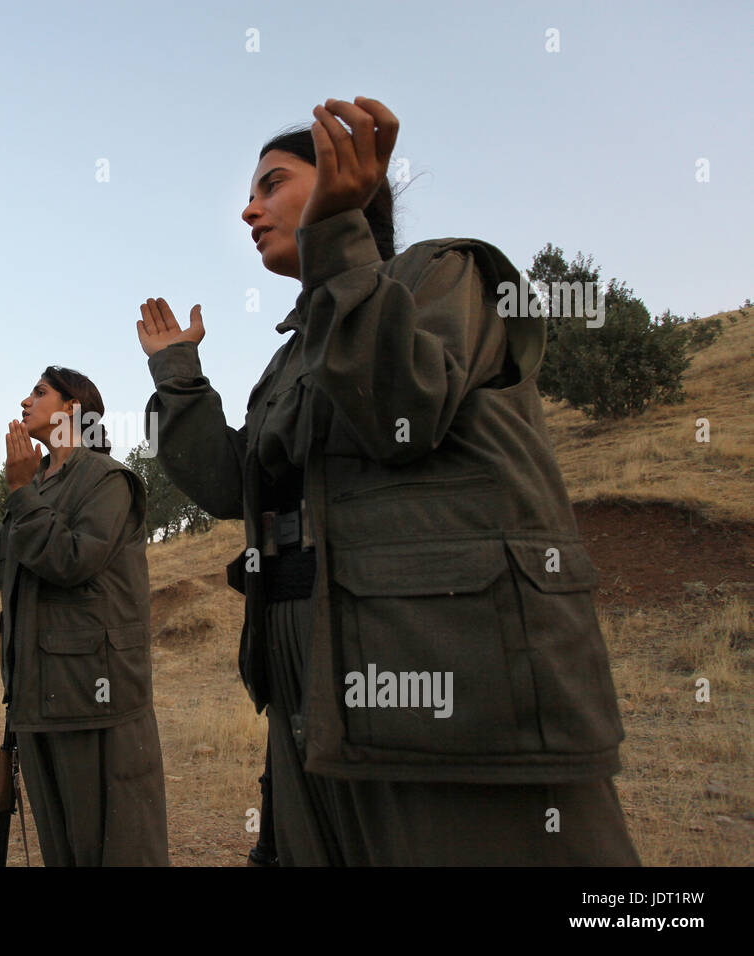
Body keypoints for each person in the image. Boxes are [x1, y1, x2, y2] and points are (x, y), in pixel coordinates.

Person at [138, 96, 638, 865]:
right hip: (310, 694)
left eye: (271, 183)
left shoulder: (446, 273)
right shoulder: (291, 355)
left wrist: (338, 236)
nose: (248, 209)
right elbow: (230, 485)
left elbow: (405, 407)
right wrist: (178, 380)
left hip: (440, 695)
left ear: (349, 181)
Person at [0, 366, 169, 866]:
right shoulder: (38, 482)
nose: (24, 402)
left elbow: (71, 559)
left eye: (39, 393)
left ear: (72, 409)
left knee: (117, 848)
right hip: (40, 699)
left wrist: (20, 493)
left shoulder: (107, 479)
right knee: (65, 850)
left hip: (95, 696)